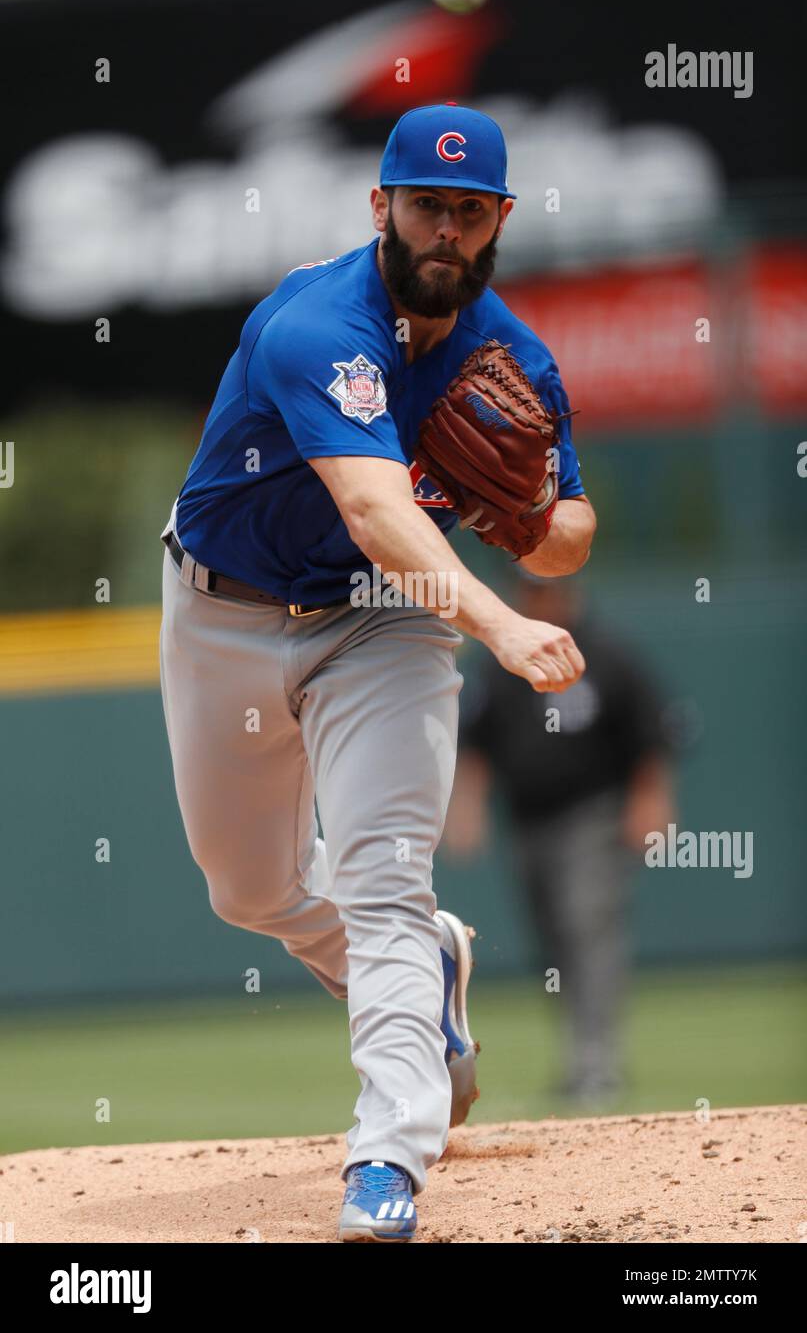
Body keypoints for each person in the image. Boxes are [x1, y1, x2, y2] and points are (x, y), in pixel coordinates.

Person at [157, 103, 596, 1242]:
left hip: (387, 624)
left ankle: (387, 1160)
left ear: (498, 219)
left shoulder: (513, 359)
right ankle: (428, 968)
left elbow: (568, 535)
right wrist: (505, 624)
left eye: (467, 210)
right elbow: (373, 504)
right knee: (247, 890)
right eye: (423, 206)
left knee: (385, 878)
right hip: (227, 611)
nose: (443, 230)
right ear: (382, 209)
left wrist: (533, 509)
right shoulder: (318, 322)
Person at [445, 572, 677, 1106]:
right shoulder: (505, 663)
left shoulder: (605, 653)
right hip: (527, 825)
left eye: (548, 589)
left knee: (586, 928)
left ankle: (596, 1063)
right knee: (555, 942)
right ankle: (581, 1059)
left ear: (571, 592)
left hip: (591, 817)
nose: (539, 598)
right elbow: (476, 741)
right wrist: (468, 805)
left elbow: (650, 735)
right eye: (529, 589)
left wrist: (651, 800)